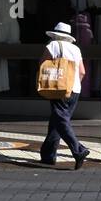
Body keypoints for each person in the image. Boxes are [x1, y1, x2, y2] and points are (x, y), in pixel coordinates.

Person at [40, 21, 91, 169]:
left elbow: (43, 64)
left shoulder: (52, 45)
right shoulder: (76, 49)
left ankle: (78, 150)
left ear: (55, 35)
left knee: (61, 121)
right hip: (75, 89)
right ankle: (48, 155)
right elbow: (82, 71)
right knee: (58, 119)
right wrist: (75, 84)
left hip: (59, 88)